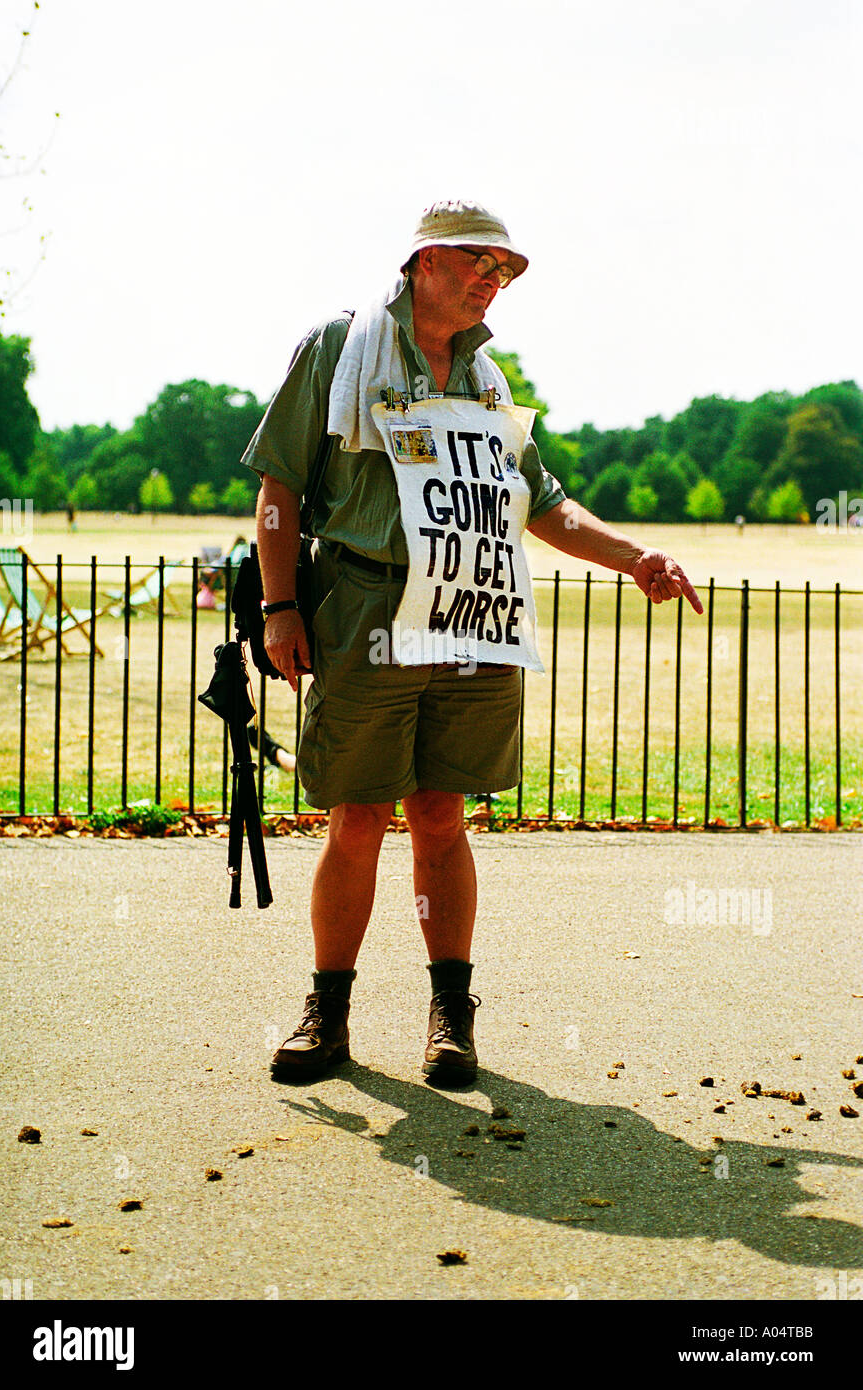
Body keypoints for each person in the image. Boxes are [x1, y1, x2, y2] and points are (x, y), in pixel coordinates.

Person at [242, 199, 702, 1087]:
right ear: (421, 263)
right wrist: (280, 606)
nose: (496, 281)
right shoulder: (340, 350)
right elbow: (280, 484)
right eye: (478, 263)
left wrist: (634, 555)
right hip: (367, 608)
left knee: (443, 816)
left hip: (473, 612)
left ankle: (451, 1019)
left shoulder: (490, 383)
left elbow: (543, 505)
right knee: (360, 814)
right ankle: (326, 1015)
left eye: (506, 271)